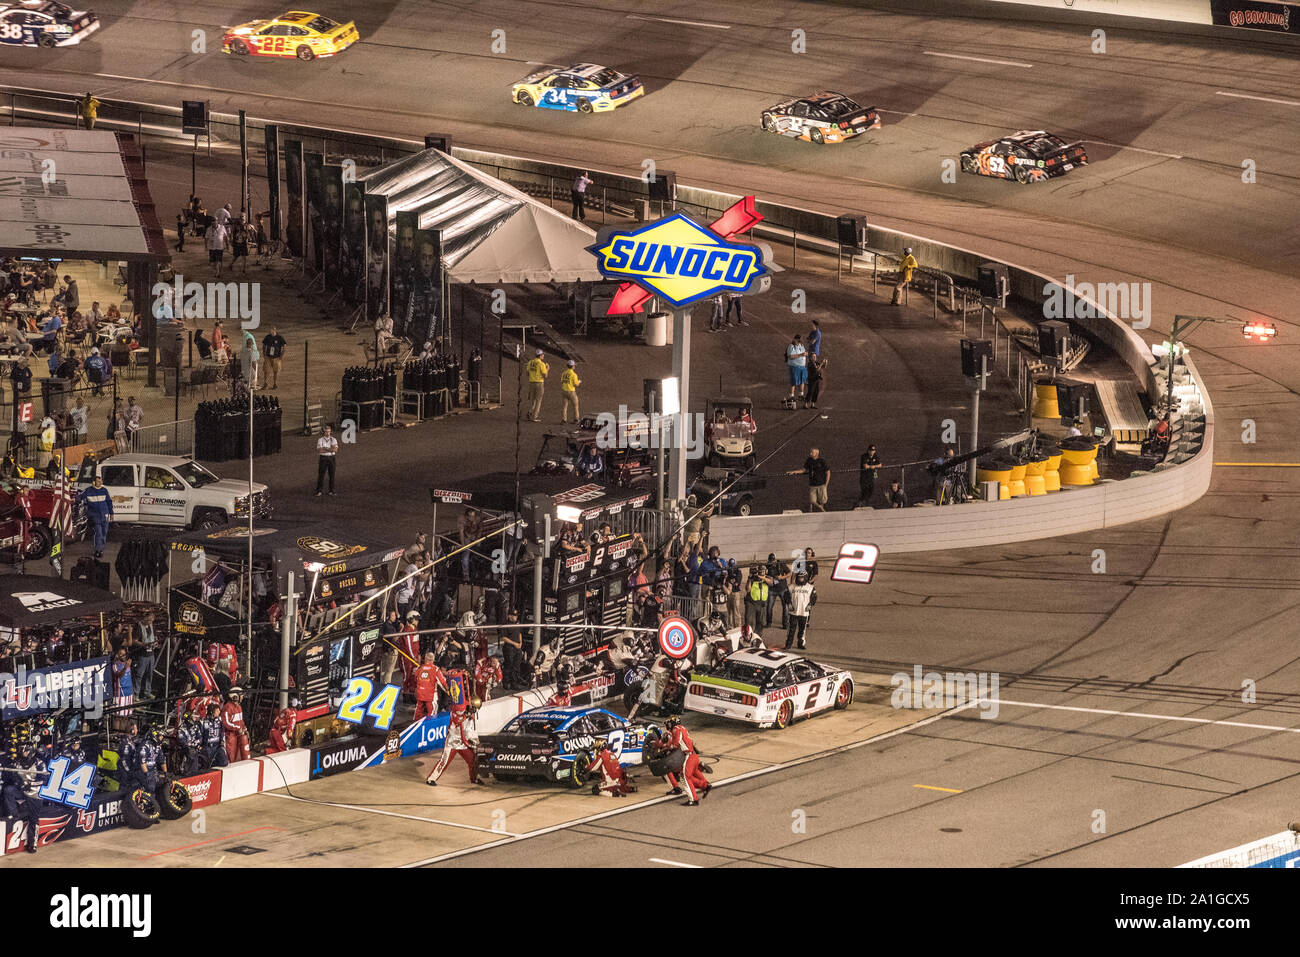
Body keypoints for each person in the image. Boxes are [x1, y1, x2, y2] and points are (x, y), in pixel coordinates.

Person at [426, 700, 481, 785]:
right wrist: (465, 716)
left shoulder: (471, 716)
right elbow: (457, 720)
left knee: (473, 760)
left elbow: (469, 730)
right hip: (452, 742)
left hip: (463, 743)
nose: (475, 711)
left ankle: (474, 779)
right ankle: (431, 779)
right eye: (474, 709)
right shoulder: (458, 710)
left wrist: (474, 741)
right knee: (444, 762)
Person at [1, 746, 43, 853]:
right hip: (22, 790)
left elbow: (45, 779)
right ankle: (14, 816)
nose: (23, 752)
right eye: (22, 750)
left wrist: (31, 784)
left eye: (25, 751)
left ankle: (32, 843)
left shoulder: (39, 763)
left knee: (34, 819)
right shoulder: (17, 762)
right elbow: (13, 776)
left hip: (35, 793)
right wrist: (20, 783)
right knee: (8, 790)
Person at [661, 716, 710, 805]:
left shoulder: (676, 729)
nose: (668, 725)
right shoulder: (683, 728)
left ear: (673, 723)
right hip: (693, 755)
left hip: (688, 756)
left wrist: (665, 748)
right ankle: (705, 785)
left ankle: (693, 800)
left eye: (669, 723)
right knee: (692, 775)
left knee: (684, 778)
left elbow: (675, 745)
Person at [79, 473, 113, 558]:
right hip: (95, 516)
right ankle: (98, 550)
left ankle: (101, 548)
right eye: (98, 481)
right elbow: (79, 498)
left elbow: (109, 502)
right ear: (93, 482)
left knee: (104, 533)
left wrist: (111, 513)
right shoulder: (88, 491)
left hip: (105, 516)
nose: (100, 482)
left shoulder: (104, 490)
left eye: (101, 481)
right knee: (98, 533)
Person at [787, 447, 830, 513]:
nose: (810, 453)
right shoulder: (809, 460)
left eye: (812, 452)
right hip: (813, 485)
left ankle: (822, 511)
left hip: (821, 484)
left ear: (816, 453)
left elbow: (828, 473)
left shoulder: (822, 461)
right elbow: (803, 470)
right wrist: (793, 472)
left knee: (823, 501)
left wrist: (826, 484)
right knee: (812, 500)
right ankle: (821, 509)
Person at [786, 572, 814, 650]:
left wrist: (810, 605)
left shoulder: (810, 587)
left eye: (802, 577)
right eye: (799, 577)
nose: (800, 579)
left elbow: (814, 598)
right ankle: (788, 644)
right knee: (791, 629)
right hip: (793, 612)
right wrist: (789, 604)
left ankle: (800, 643)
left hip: (804, 613)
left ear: (805, 578)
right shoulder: (791, 587)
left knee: (802, 630)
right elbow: (786, 596)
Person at [222, 688, 251, 763]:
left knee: (238, 757)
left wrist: (244, 728)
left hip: (238, 735)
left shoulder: (239, 707)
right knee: (231, 756)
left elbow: (241, 721)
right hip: (230, 736)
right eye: (241, 695)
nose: (242, 697)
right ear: (235, 697)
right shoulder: (228, 707)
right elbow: (226, 723)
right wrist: (238, 728)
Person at [414, 652, 446, 719]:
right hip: (430, 695)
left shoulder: (419, 668)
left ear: (425, 659)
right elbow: (442, 682)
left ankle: (415, 725)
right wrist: (448, 689)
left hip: (420, 693)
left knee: (418, 710)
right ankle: (430, 726)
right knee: (432, 713)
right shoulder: (435, 669)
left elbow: (415, 679)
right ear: (433, 660)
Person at [134, 613, 157, 699]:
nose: (149, 622)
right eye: (148, 620)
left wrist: (155, 643)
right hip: (142, 654)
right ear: (144, 618)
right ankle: (136, 694)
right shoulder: (139, 626)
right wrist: (143, 644)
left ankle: (147, 692)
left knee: (149, 674)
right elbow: (134, 641)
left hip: (151, 654)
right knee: (139, 674)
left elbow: (154, 637)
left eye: (151, 620)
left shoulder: (152, 626)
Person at [744, 565, 768, 637]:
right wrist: (749, 579)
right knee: (749, 622)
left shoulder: (767, 578)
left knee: (760, 623)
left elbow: (771, 582)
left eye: (762, 571)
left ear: (765, 572)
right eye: (759, 572)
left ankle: (757, 638)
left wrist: (760, 577)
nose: (761, 573)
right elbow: (748, 589)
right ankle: (748, 638)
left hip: (762, 604)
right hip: (751, 603)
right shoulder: (752, 579)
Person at [202, 703, 229, 768]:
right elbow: (201, 734)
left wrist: (222, 742)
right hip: (208, 747)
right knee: (207, 765)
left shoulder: (219, 721)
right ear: (212, 712)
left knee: (224, 762)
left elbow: (222, 732)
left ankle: (214, 764)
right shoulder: (203, 721)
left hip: (217, 746)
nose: (219, 712)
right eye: (217, 711)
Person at [315, 424, 338, 496]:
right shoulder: (320, 440)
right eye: (326, 432)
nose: (328, 433)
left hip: (332, 458)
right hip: (323, 459)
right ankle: (319, 491)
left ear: (330, 432)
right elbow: (320, 450)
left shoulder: (334, 439)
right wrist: (330, 449)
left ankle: (331, 491)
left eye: (329, 431)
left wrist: (325, 448)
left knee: (332, 475)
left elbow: (336, 449)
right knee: (321, 475)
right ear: (324, 432)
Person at [526, 349, 548, 422]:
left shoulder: (530, 362)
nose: (543, 356)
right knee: (538, 400)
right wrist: (547, 369)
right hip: (539, 383)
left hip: (531, 383)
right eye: (543, 355)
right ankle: (535, 417)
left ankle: (530, 412)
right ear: (540, 355)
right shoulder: (541, 364)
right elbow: (545, 375)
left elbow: (527, 373)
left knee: (532, 400)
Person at [785, 333, 807, 405]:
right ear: (795, 339)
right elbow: (791, 356)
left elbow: (804, 352)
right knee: (794, 381)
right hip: (795, 367)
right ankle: (791, 396)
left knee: (802, 381)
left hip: (802, 367)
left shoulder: (801, 345)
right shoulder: (791, 346)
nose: (799, 342)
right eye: (798, 340)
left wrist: (805, 354)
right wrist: (801, 355)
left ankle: (801, 394)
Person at [560, 359, 580, 423]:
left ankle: (564, 419)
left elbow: (562, 381)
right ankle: (576, 419)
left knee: (564, 406)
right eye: (574, 365)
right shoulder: (574, 374)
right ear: (572, 366)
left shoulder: (564, 373)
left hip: (564, 391)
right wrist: (579, 381)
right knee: (575, 405)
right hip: (571, 391)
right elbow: (576, 384)